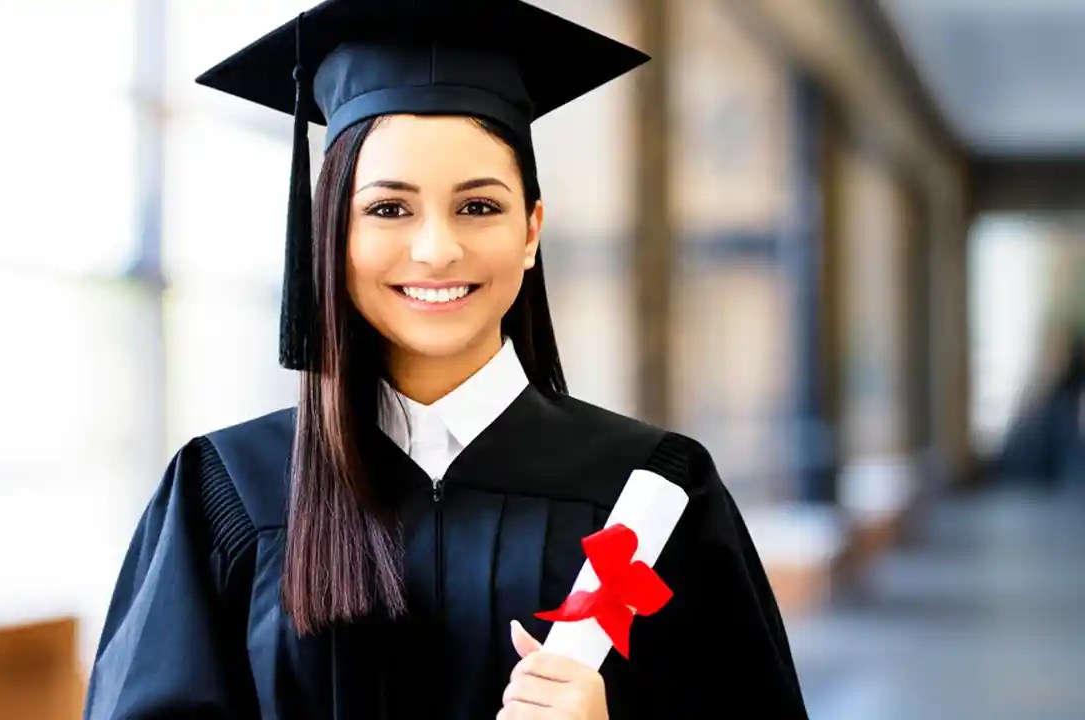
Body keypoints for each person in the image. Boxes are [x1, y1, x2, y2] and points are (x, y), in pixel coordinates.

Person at [82, 1, 809, 718]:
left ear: (532, 231)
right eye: (389, 209)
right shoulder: (229, 491)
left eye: (479, 207)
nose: (436, 250)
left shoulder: (651, 486)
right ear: (331, 234)